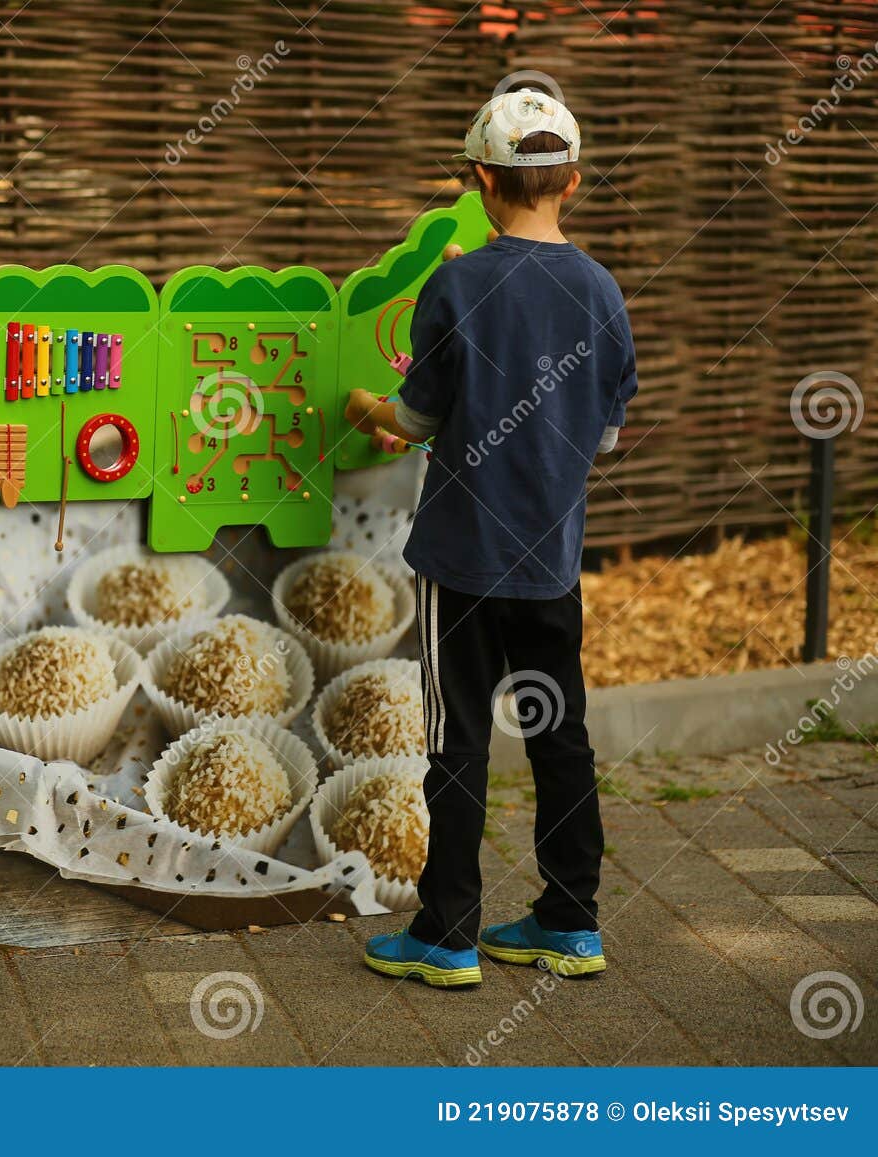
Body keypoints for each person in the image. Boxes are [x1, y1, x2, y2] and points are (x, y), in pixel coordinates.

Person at [344, 88, 636, 986]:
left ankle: (447, 933)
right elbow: (608, 432)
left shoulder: (458, 281)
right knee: (561, 733)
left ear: (480, 179)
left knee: (456, 739)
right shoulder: (600, 289)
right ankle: (571, 918)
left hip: (460, 557)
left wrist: (365, 407)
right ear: (573, 183)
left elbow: (418, 417)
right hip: (550, 560)